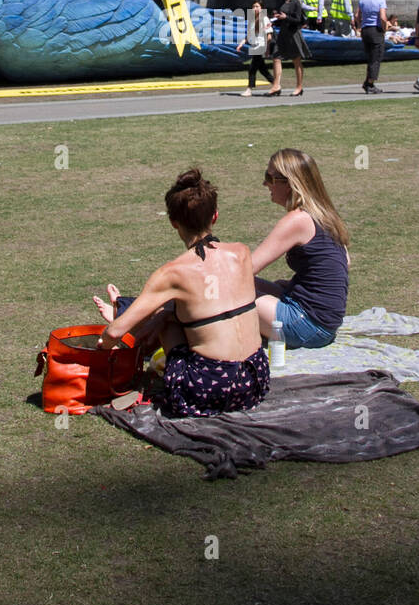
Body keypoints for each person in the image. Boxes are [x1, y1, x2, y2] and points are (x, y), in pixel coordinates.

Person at [93, 168, 269, 418]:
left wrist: (103, 347)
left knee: (166, 318)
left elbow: (113, 333)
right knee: (181, 313)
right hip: (255, 379)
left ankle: (131, 328)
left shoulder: (172, 273)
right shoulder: (241, 253)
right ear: (215, 216)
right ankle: (137, 314)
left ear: (173, 222)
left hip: (210, 388)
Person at [251, 148, 350, 350]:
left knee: (230, 295)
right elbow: (345, 262)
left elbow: (247, 269)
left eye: (269, 178)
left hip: (310, 325)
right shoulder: (324, 215)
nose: (265, 184)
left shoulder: (298, 220)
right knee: (248, 285)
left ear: (289, 183)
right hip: (323, 321)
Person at [267, 0, 309, 97]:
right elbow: (280, 18)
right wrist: (274, 19)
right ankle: (276, 85)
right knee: (276, 57)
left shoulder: (296, 2)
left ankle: (299, 87)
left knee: (296, 60)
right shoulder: (282, 1)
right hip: (282, 33)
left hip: (293, 34)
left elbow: (298, 20)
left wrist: (286, 17)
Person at [236, 1, 273, 95]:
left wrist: (267, 48)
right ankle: (276, 84)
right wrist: (241, 44)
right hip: (254, 46)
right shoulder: (251, 20)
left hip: (260, 46)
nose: (255, 8)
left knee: (252, 68)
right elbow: (248, 36)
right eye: (253, 6)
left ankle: (249, 89)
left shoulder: (265, 19)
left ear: (262, 8)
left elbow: (269, 36)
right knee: (263, 69)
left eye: (257, 6)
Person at [357, 0, 387, 93]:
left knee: (370, 57)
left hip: (365, 30)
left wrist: (360, 26)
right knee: (376, 58)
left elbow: (357, 15)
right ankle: (370, 84)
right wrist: (384, 29)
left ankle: (367, 82)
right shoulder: (381, 0)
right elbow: (383, 18)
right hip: (376, 30)